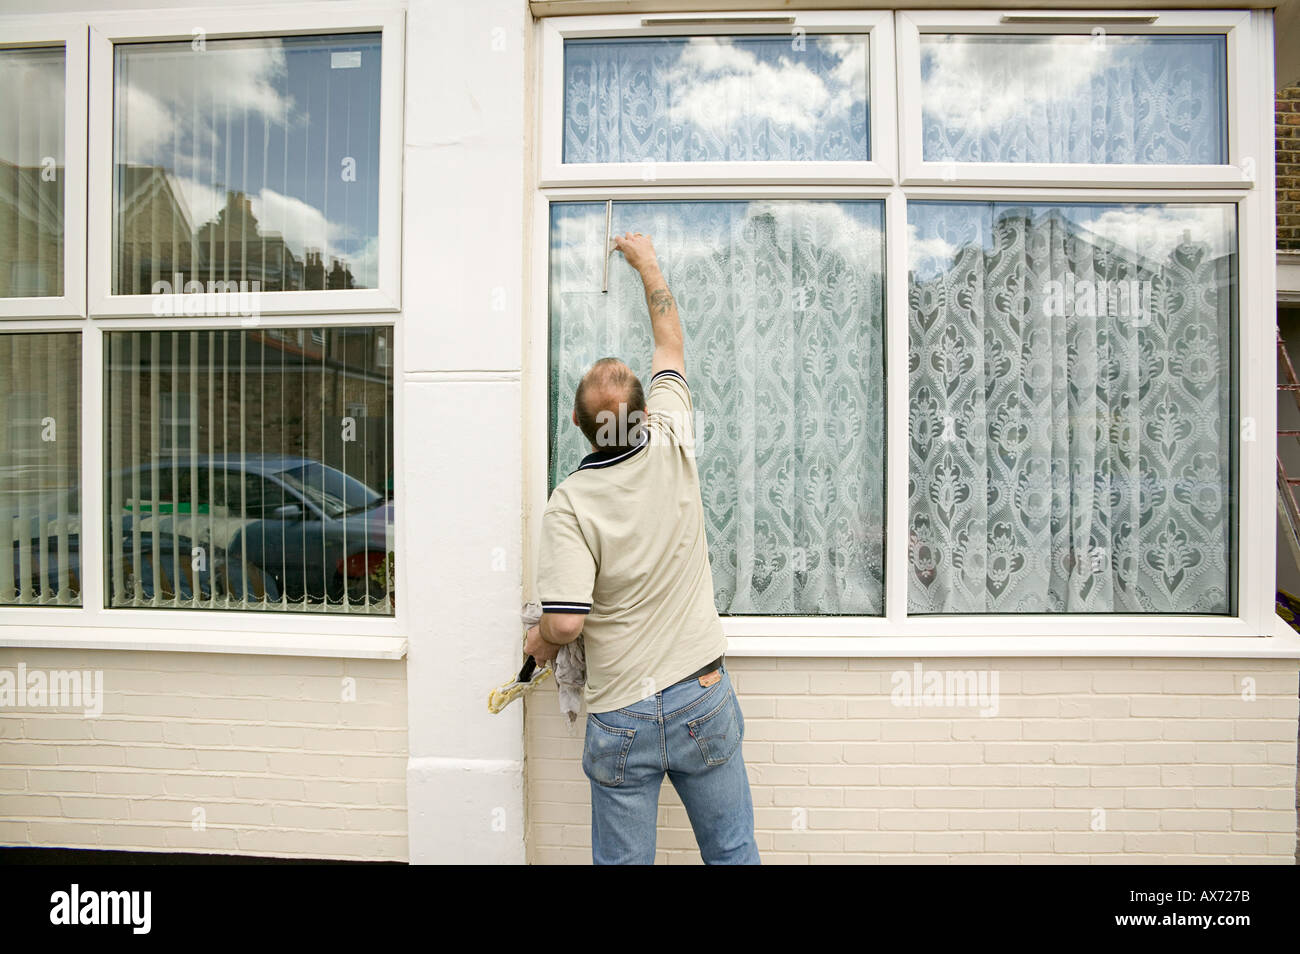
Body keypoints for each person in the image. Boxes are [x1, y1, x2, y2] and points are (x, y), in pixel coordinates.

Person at [525, 231, 760, 865]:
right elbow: (669, 343)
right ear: (643, 413)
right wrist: (647, 264)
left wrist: (541, 643)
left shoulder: (570, 503)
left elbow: (567, 620)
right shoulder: (672, 438)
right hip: (700, 692)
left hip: (622, 713)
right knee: (733, 853)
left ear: (576, 424)